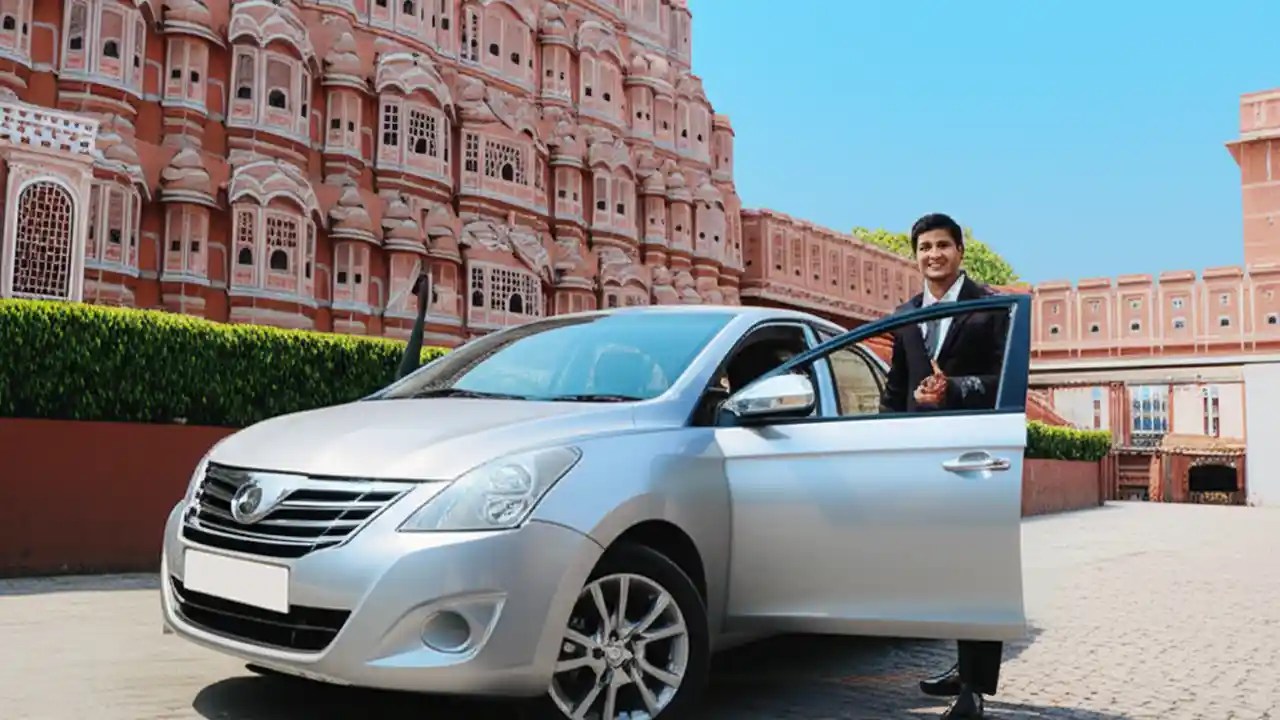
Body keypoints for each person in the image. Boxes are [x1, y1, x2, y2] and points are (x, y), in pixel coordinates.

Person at [877, 212, 1009, 719]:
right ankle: (961, 666)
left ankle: (974, 691)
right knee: (947, 570)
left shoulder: (990, 307)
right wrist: (881, 439)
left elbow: (1006, 380)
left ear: (960, 251)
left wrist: (953, 388)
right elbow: (895, 388)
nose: (934, 254)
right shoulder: (907, 313)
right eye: (925, 247)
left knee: (978, 569)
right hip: (923, 454)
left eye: (943, 246)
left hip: (975, 455)